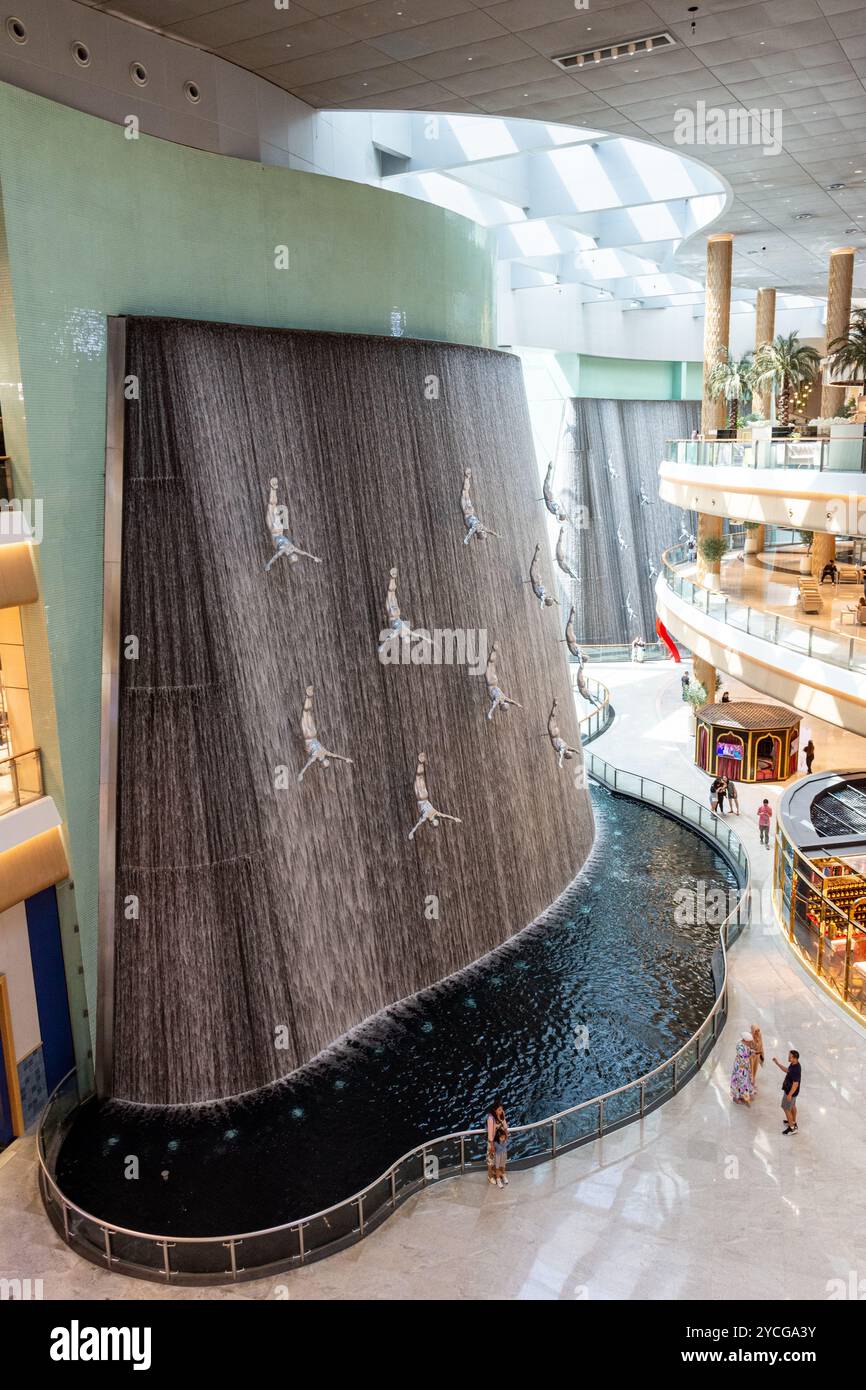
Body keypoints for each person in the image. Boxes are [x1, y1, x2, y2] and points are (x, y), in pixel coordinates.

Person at [773, 1049, 801, 1134]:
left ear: (795, 1058)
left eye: (790, 1057)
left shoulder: (796, 1069)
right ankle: (793, 1122)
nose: (788, 1058)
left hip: (790, 1092)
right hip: (791, 1091)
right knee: (792, 1106)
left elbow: (795, 1084)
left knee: (786, 1108)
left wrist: (789, 1094)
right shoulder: (793, 1064)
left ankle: (792, 1128)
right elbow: (787, 1071)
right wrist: (778, 1064)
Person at [486, 1101, 508, 1185]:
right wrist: (491, 1146)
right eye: (499, 1110)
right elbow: (490, 1133)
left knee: (501, 1158)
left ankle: (500, 1174)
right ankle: (490, 1176)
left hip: (501, 1141)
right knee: (491, 1160)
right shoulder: (491, 1118)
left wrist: (506, 1136)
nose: (501, 1111)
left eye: (502, 1109)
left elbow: (505, 1126)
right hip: (493, 1142)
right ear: (495, 1110)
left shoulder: (502, 1115)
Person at [730, 1034, 756, 1105]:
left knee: (744, 1081)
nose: (750, 1043)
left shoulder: (745, 1045)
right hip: (740, 1067)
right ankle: (736, 1097)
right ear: (745, 1040)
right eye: (749, 1042)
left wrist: (751, 1051)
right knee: (739, 1081)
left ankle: (742, 1096)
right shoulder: (739, 1047)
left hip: (744, 1067)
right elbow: (743, 1059)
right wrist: (750, 1056)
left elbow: (747, 1051)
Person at [750, 1025, 765, 1090]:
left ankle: (753, 1080)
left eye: (758, 1030)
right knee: (750, 1069)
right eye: (756, 1030)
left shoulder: (759, 1035)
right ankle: (750, 1083)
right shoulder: (750, 1037)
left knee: (755, 1069)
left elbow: (761, 1045)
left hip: (757, 1055)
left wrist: (762, 1053)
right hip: (751, 1057)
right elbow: (750, 1047)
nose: (758, 1032)